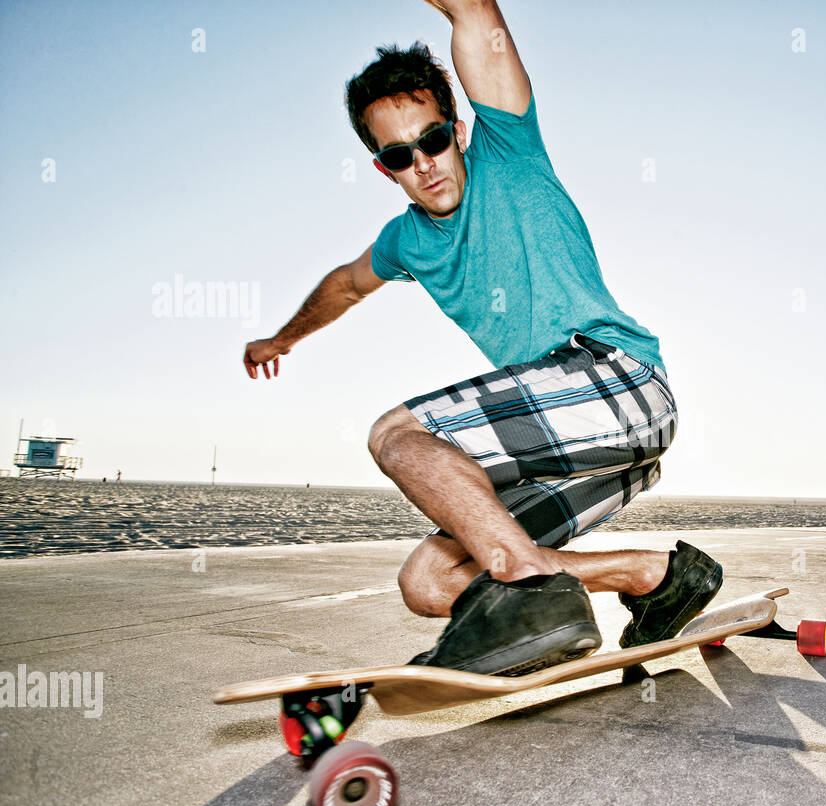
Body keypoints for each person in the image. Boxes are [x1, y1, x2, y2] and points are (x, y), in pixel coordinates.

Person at [242, 0, 721, 676]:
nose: (425, 164)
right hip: (585, 454)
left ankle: (528, 589)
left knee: (393, 435)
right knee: (429, 584)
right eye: (401, 155)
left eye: (433, 140)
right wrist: (282, 339)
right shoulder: (405, 240)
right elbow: (344, 286)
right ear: (384, 167)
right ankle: (656, 576)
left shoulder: (508, 148)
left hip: (623, 385)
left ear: (458, 131)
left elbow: (474, 10)